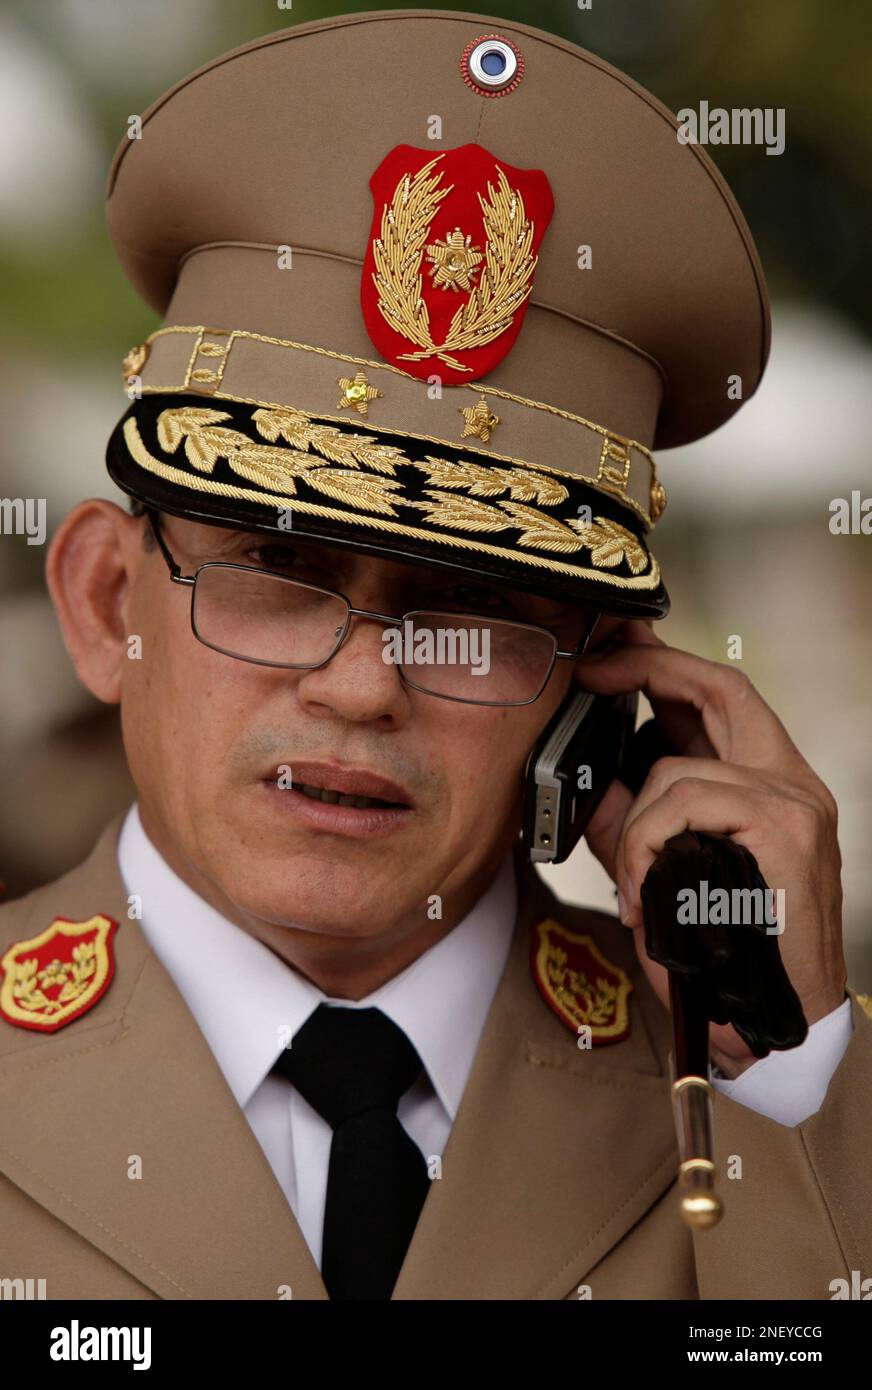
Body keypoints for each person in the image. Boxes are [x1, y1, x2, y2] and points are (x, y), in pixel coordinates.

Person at [1, 10, 870, 1302]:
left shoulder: (751, 1101)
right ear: (100, 599)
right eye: (278, 576)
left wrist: (782, 1068)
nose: (362, 685)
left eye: (469, 610)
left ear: (601, 690)